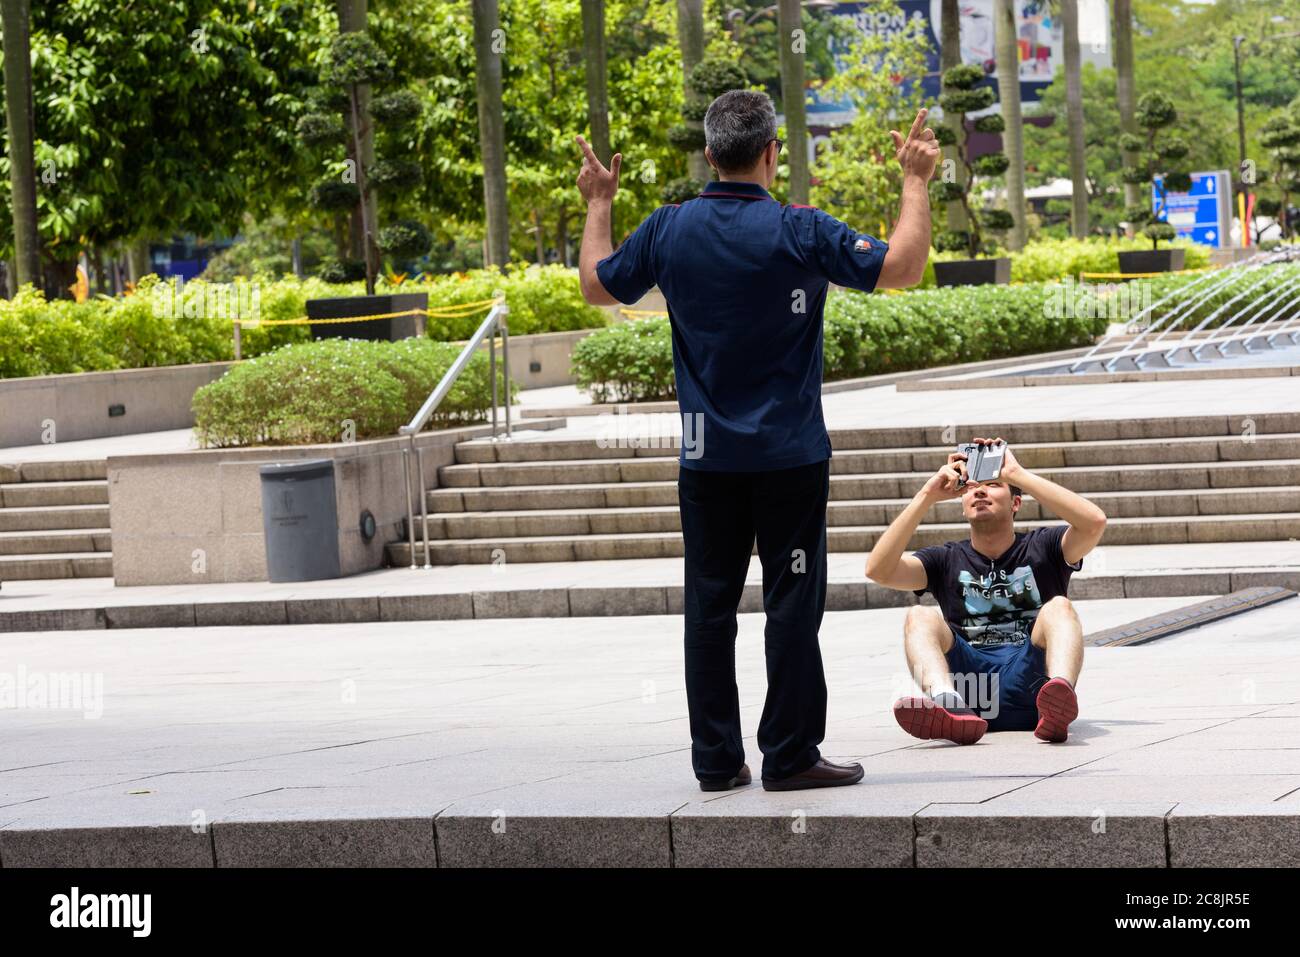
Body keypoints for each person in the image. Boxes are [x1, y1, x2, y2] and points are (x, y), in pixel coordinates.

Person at [574, 90, 938, 790]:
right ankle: (790, 754)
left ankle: (715, 761)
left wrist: (599, 201)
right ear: (772, 154)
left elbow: (597, 286)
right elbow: (903, 266)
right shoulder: (800, 229)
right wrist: (915, 179)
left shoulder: (668, 229)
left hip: (707, 462)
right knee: (791, 605)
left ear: (709, 155)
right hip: (789, 459)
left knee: (709, 608)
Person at [865, 438, 1107, 744]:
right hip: (971, 690)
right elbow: (878, 570)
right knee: (919, 616)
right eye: (970, 488)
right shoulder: (945, 559)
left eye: (994, 484)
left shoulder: (1043, 547)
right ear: (964, 507)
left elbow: (1094, 523)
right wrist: (926, 495)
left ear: (1016, 502)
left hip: (1034, 687)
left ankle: (1060, 698)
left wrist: (1017, 474)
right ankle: (947, 705)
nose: (979, 490)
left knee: (1059, 607)